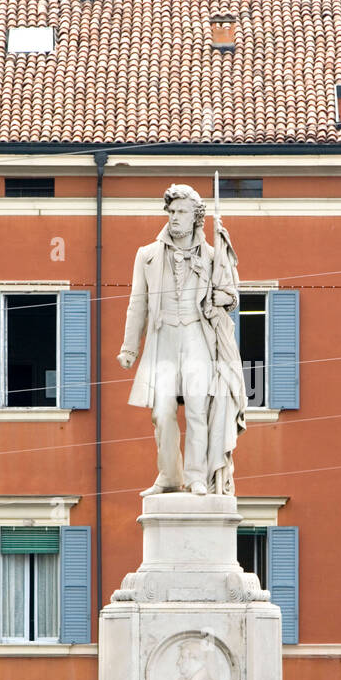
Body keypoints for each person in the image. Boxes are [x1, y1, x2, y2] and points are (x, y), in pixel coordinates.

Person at [117, 184, 247, 496]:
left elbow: (231, 297)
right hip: (163, 339)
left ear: (196, 217)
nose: (174, 217)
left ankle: (196, 476)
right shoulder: (147, 255)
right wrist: (130, 348)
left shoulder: (213, 256)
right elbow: (138, 303)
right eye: (171, 211)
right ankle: (169, 476)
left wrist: (224, 297)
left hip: (197, 337)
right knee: (161, 413)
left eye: (182, 212)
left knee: (197, 409)